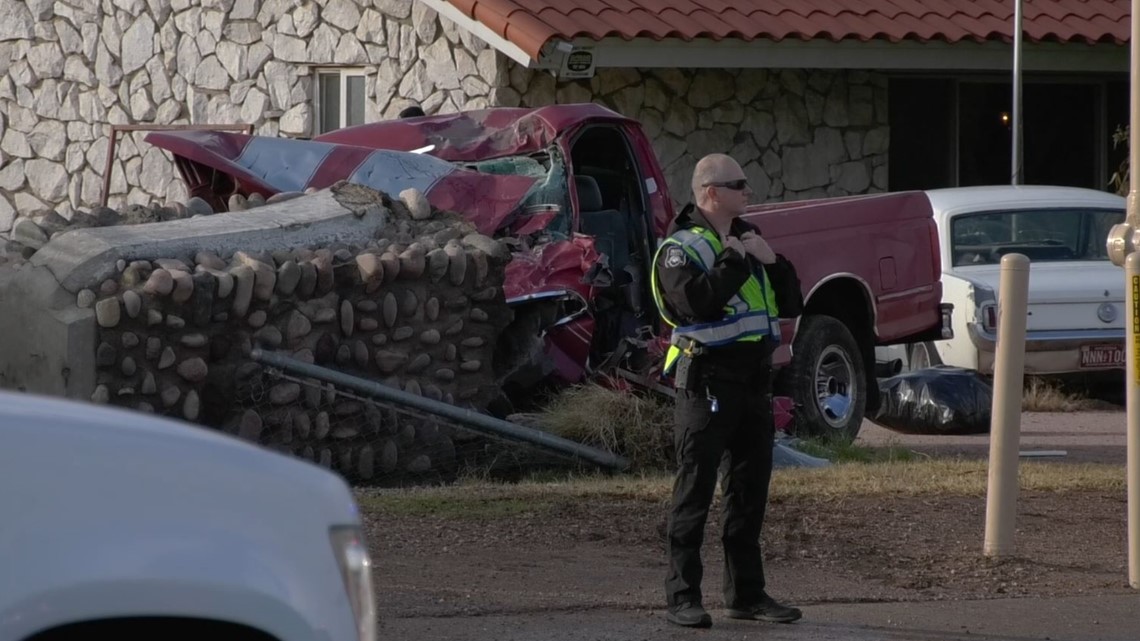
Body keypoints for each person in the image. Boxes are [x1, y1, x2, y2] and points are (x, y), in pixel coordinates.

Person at [650, 153, 804, 628]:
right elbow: (695, 303)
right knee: (694, 490)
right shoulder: (680, 248)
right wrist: (736, 260)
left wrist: (772, 261)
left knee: (748, 493)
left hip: (754, 383)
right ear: (711, 192)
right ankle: (683, 597)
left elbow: (791, 303)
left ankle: (747, 595)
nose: (748, 192)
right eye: (739, 185)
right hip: (707, 382)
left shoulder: (748, 239)